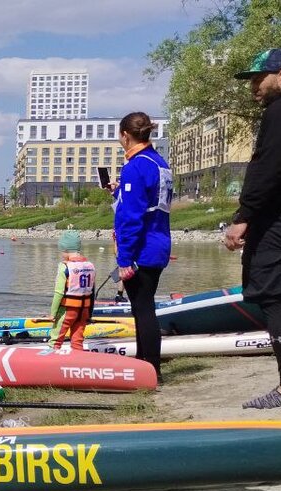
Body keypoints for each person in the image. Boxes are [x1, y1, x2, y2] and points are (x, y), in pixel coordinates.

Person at [224, 48, 281, 408]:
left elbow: (269, 168)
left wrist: (243, 217)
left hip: (276, 218)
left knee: (273, 299)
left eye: (259, 78)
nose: (253, 87)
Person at [112, 111, 173, 383]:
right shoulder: (159, 162)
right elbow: (149, 202)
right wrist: (118, 192)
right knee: (143, 305)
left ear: (125, 135)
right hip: (159, 242)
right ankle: (146, 365)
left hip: (142, 248)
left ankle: (150, 369)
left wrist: (124, 259)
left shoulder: (135, 166)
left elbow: (131, 217)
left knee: (143, 308)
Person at [45, 230, 96, 352]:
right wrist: (89, 314)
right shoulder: (90, 266)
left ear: (66, 250)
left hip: (67, 311)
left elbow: (59, 293)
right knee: (77, 340)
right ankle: (77, 363)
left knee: (56, 339)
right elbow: (92, 293)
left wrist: (52, 314)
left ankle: (50, 359)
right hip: (83, 310)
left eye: (62, 251)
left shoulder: (65, 266)